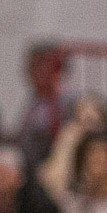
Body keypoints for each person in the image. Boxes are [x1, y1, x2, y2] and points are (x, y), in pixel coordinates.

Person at [16, 41, 67, 172]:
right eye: (31, 65)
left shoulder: (67, 101)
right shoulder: (36, 101)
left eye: (39, 65)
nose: (31, 70)